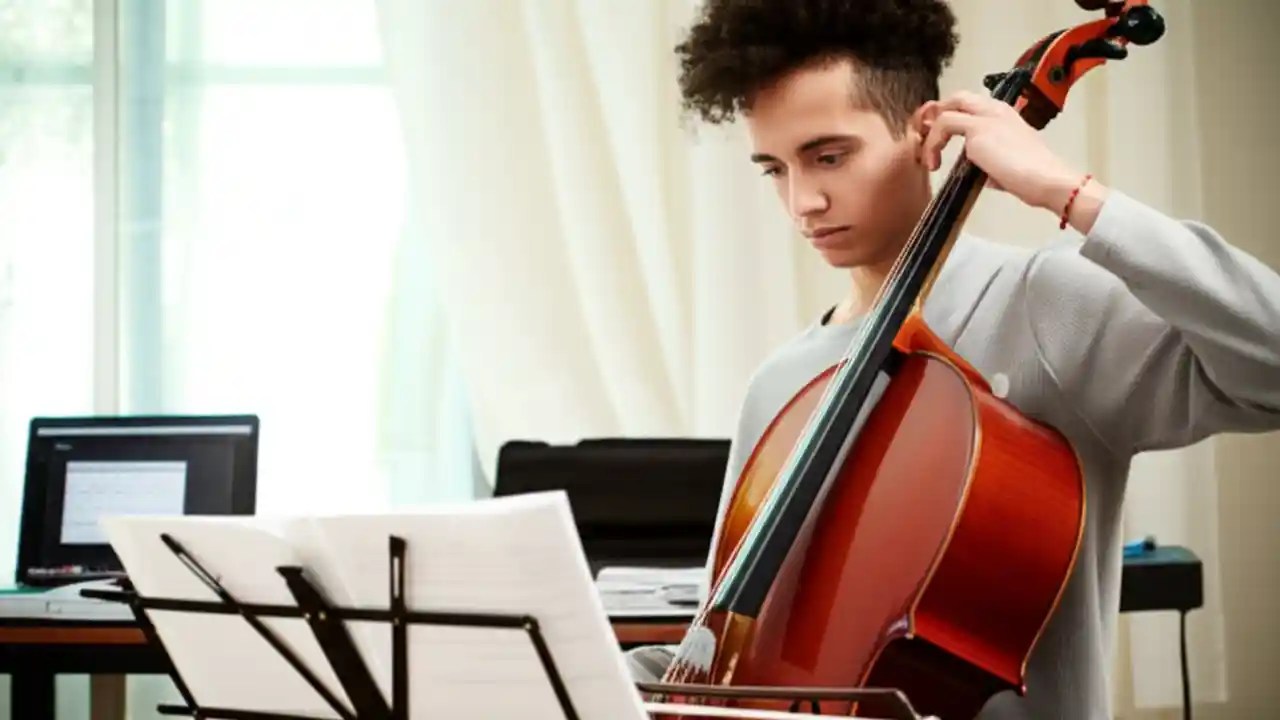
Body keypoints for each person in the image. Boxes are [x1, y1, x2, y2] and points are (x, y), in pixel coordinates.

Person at [624, 1, 1280, 719]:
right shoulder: (781, 385)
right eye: (773, 169)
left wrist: (1071, 194)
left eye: (829, 156)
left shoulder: (1044, 306)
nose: (801, 202)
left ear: (925, 132)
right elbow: (720, 652)